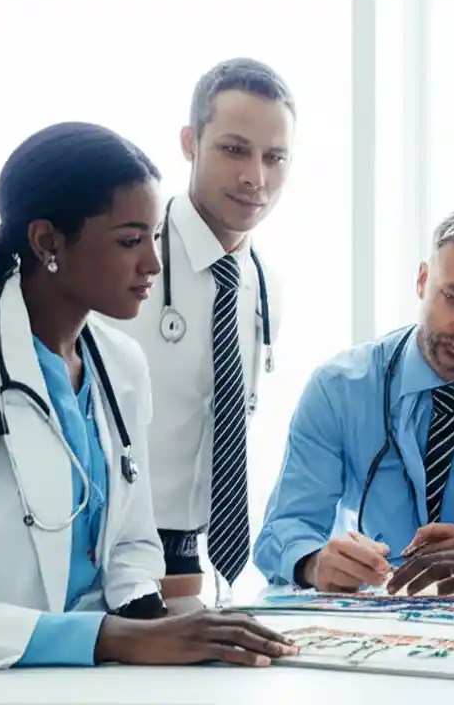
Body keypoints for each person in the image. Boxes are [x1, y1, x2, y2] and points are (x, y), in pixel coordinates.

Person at [0, 122, 296, 671]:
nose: (152, 264)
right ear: (47, 242)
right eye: (130, 241)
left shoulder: (121, 365)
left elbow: (130, 548)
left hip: (90, 680)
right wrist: (108, 637)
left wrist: (167, 628)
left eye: (153, 239)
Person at [254, 205, 454, 592]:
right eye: (452, 297)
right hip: (367, 617)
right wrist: (313, 563)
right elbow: (283, 530)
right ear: (423, 281)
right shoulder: (339, 386)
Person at [111, 58, 294, 597]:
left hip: (199, 555)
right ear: (191, 142)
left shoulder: (266, 285)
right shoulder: (124, 259)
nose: (255, 178)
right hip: (113, 541)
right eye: (234, 149)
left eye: (274, 157)